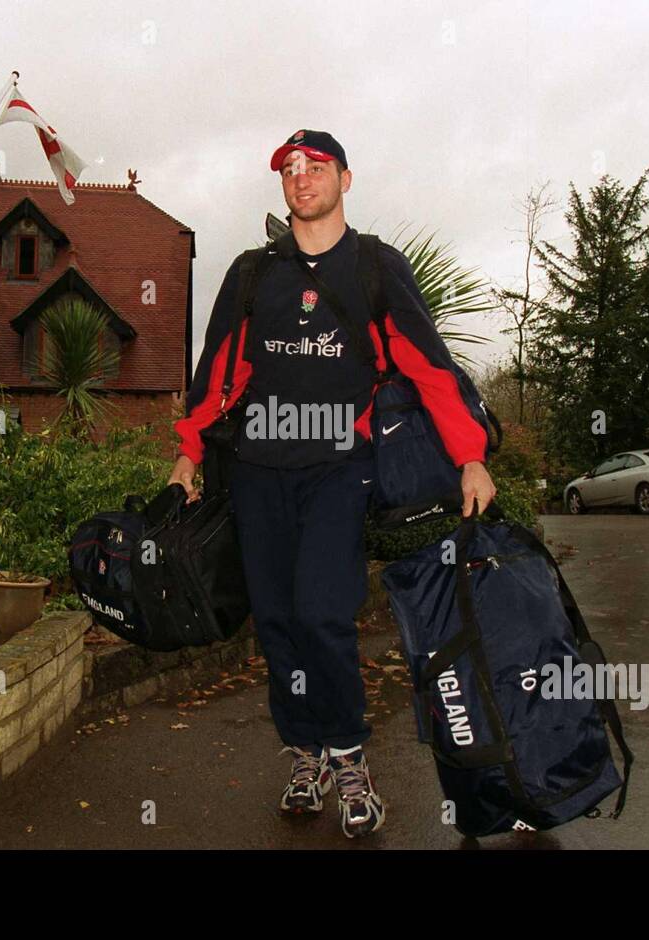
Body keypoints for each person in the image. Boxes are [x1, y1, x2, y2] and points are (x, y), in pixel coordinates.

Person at [169, 129, 496, 838]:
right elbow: (218, 371)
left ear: (346, 178)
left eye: (315, 165)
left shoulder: (375, 268)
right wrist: (189, 453)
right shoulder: (253, 275)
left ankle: (348, 756)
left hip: (339, 471)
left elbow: (429, 367)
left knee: (322, 613)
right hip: (257, 472)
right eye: (289, 168)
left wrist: (471, 454)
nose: (300, 176)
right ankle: (305, 752)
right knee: (278, 622)